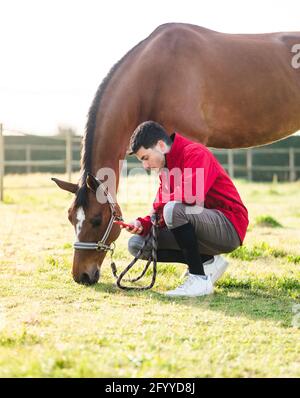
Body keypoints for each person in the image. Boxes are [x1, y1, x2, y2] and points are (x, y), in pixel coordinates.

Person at [122, 121, 249, 297]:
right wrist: (141, 224)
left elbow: (190, 196)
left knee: (173, 210)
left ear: (160, 145)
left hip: (229, 226)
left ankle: (199, 280)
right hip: (201, 226)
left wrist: (159, 208)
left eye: (145, 158)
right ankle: (207, 261)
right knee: (137, 244)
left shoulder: (195, 152)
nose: (145, 166)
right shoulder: (165, 169)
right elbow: (159, 209)